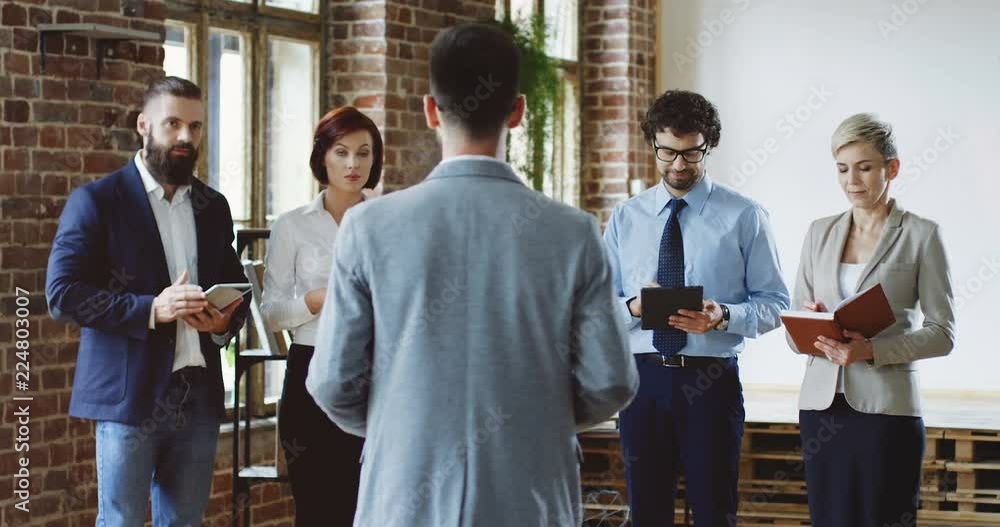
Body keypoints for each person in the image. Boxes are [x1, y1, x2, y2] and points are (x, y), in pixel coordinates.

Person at [305, 22, 638, 527]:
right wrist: (535, 416)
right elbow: (610, 380)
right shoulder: (573, 232)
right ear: (519, 110)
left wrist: (400, 424)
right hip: (531, 492)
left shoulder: (369, 227)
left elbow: (332, 381)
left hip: (403, 491)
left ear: (431, 110)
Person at [45, 76, 249, 526]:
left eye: (195, 127)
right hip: (129, 395)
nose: (184, 137)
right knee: (121, 520)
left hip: (198, 395)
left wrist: (220, 325)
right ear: (144, 125)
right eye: (172, 123)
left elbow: (237, 293)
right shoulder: (97, 201)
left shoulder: (213, 206)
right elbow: (62, 295)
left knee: (185, 523)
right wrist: (151, 310)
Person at [603, 89, 790, 526]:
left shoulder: (745, 216)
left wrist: (722, 316)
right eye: (666, 152)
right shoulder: (625, 218)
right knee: (647, 514)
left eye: (691, 153)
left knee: (714, 512)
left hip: (711, 382)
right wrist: (633, 307)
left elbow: (776, 304)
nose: (679, 165)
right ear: (652, 143)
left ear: (709, 145)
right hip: (641, 382)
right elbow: (594, 311)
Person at [789, 113, 956, 527]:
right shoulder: (818, 232)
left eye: (864, 167)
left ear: (891, 168)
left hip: (887, 410)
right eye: (843, 169)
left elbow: (942, 333)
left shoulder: (922, 234)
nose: (852, 180)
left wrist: (871, 351)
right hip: (822, 407)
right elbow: (794, 332)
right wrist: (812, 326)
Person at [261, 106, 381, 526]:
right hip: (309, 372)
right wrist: (312, 302)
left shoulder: (388, 221)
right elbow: (271, 316)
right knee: (315, 509)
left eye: (364, 153)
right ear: (322, 157)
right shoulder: (291, 226)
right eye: (342, 152)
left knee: (370, 508)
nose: (353, 164)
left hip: (376, 374)